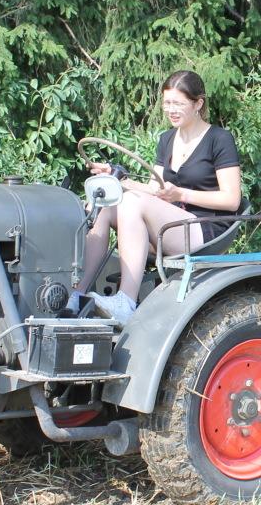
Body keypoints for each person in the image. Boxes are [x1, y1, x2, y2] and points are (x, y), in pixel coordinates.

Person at [68, 70, 242, 323]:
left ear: (198, 104)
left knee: (131, 202)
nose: (171, 110)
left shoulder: (219, 139)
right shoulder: (167, 139)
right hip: (173, 224)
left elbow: (232, 200)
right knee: (109, 204)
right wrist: (118, 179)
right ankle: (77, 295)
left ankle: (126, 301)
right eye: (167, 103)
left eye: (178, 104)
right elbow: (155, 189)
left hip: (205, 230)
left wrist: (181, 193)